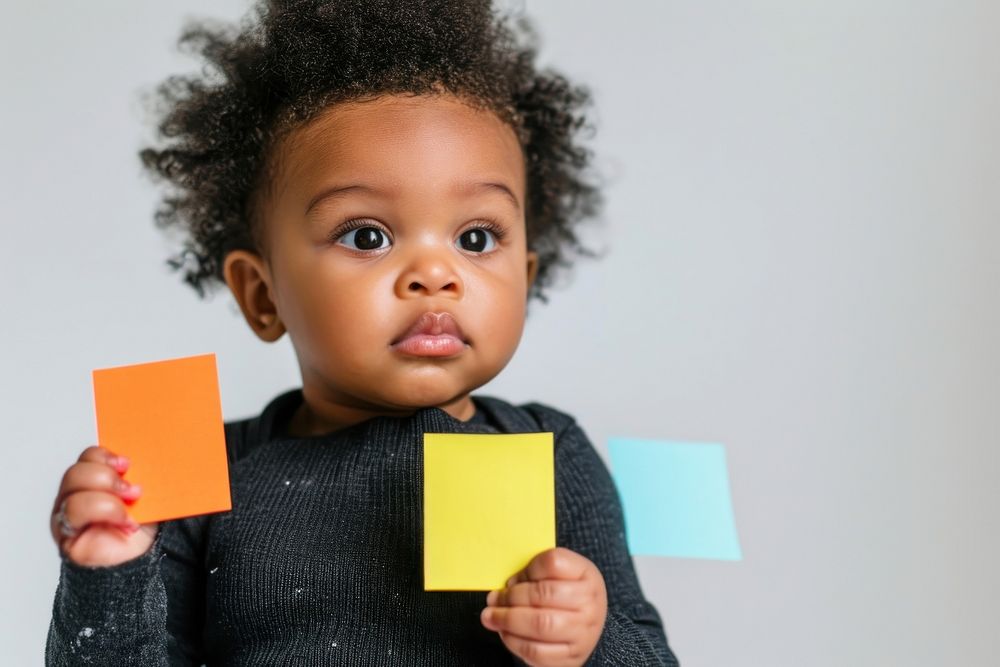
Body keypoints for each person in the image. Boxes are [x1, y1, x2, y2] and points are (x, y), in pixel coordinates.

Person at [45, 1, 679, 664]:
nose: (435, 273)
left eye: (476, 237)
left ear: (523, 275)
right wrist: (107, 573)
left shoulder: (551, 454)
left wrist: (592, 634)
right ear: (263, 295)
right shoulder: (202, 472)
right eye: (367, 235)